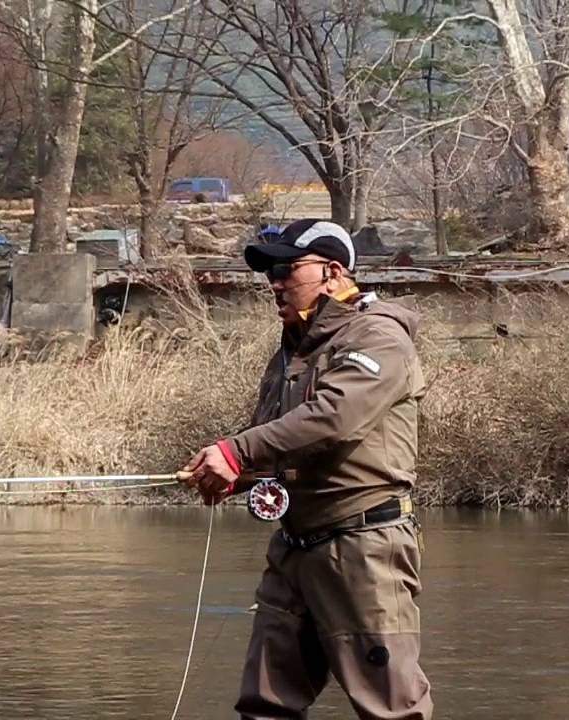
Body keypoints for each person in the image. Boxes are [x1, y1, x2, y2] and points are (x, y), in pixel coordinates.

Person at [180, 218, 433, 720]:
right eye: (269, 273)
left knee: (392, 710)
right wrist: (233, 474)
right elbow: (279, 439)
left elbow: (334, 418)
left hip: (364, 547)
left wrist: (237, 451)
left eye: (286, 270)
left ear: (332, 272)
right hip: (293, 548)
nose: (274, 283)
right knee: (265, 706)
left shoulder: (379, 336)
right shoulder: (292, 350)